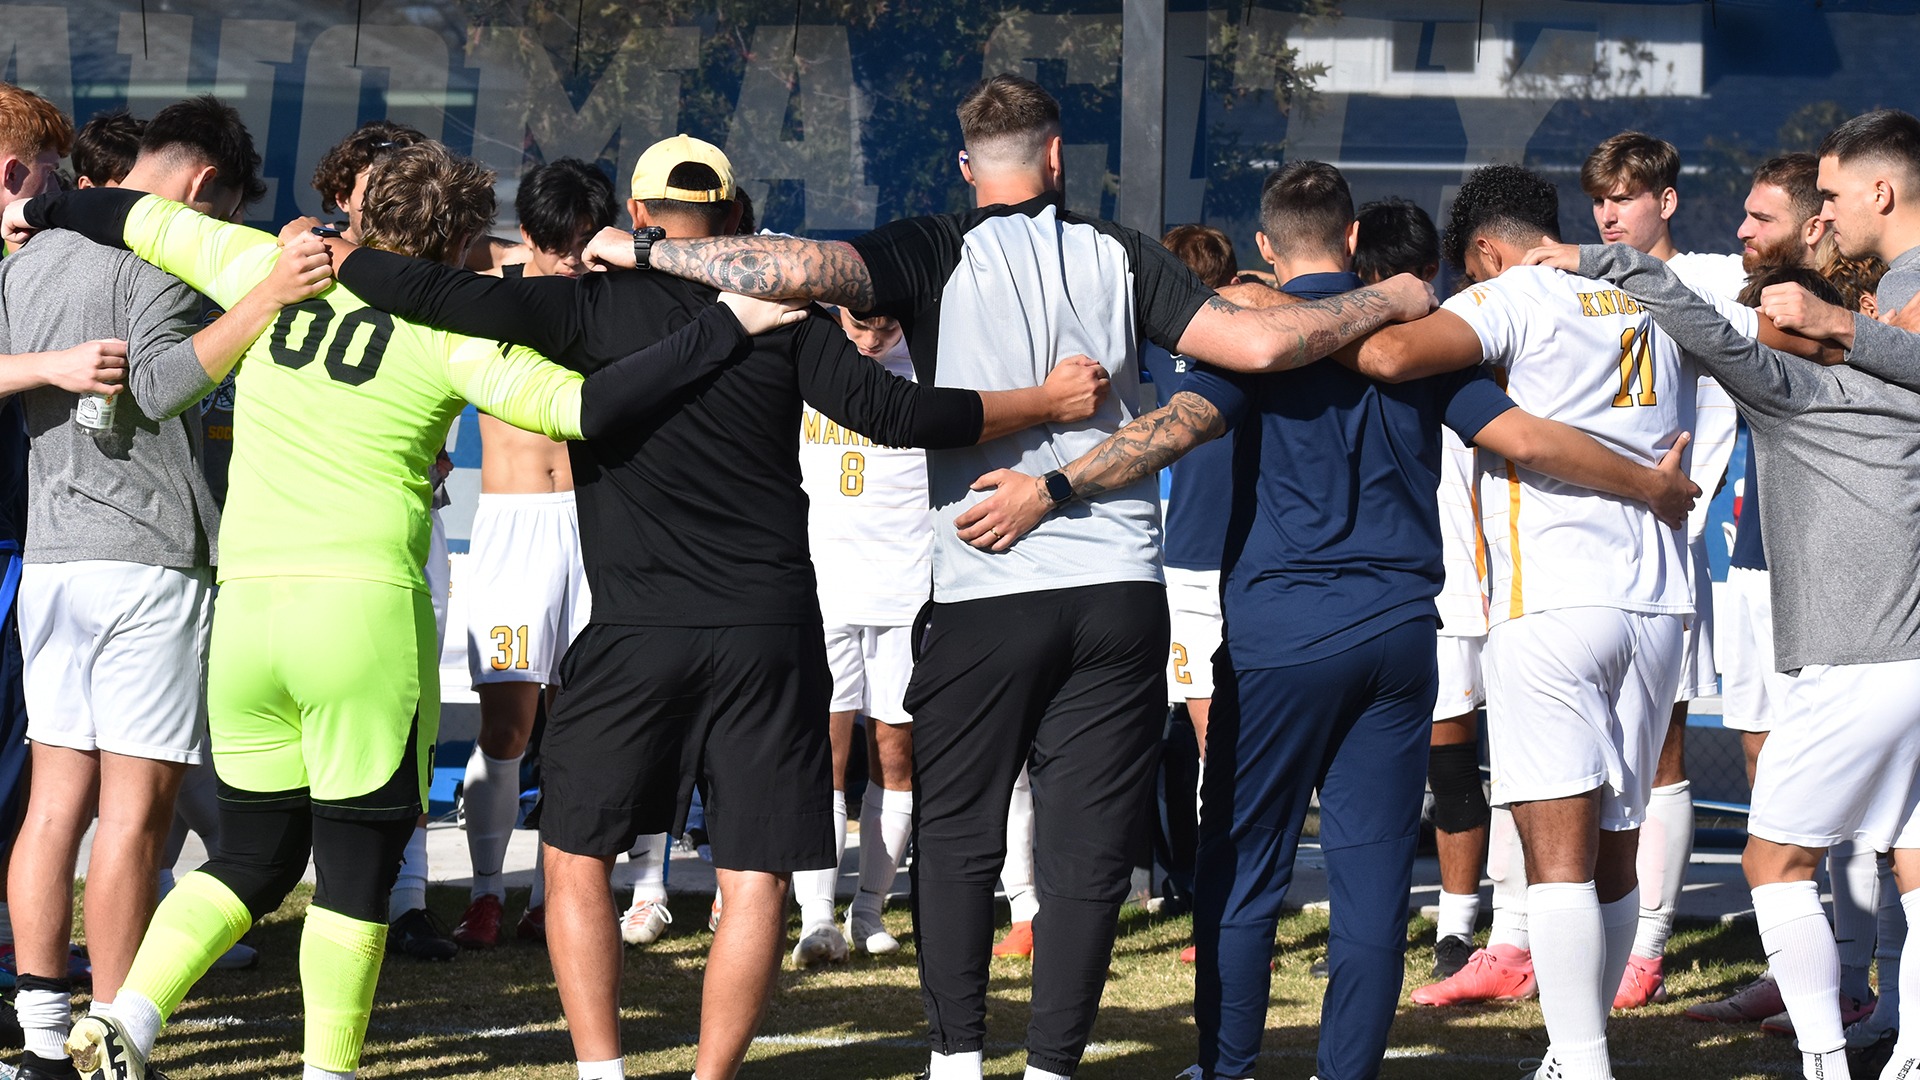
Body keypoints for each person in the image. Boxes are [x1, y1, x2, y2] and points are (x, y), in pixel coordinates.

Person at [578, 80, 1438, 1080]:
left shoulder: (932, 243)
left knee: (957, 833)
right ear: (1059, 159)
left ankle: (955, 1062)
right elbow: (1260, 344)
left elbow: (796, 268)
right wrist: (1397, 294)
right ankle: (1051, 1069)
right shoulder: (1119, 249)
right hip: (1116, 590)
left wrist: (643, 248)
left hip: (985, 578)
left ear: (963, 166)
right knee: (1081, 855)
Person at [5, 136, 804, 1080]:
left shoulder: (268, 261)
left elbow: (130, 215)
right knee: (355, 874)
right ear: (462, 242)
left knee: (253, 858)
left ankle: (130, 1013)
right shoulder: (456, 335)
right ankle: (326, 1072)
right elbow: (592, 407)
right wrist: (727, 329)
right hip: (363, 620)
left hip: (250, 613)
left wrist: (45, 212)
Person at [328, 131, 1114, 1080]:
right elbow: (907, 418)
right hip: (769, 635)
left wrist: (338, 253)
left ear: (640, 221)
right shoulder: (783, 313)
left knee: (577, 857)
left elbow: (435, 294)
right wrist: (1042, 403)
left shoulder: (588, 306)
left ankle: (599, 1072)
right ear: (735, 222)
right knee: (753, 874)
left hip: (636, 633)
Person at [952, 159, 1700, 1080]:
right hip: (1396, 638)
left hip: (1280, 639)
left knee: (1245, 868)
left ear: (1267, 247)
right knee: (1374, 877)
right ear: (1354, 238)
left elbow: (1175, 427)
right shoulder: (1416, 334)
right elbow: (1524, 437)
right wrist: (1650, 486)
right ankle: (1347, 1073)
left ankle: (1227, 1067)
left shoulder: (1255, 336)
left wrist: (1053, 486)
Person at [1337, 162, 1830, 1080]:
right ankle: (1583, 1050)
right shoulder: (1650, 291)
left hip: (1553, 597)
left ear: (1486, 250)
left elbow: (1391, 357)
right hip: (1657, 601)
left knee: (1557, 852)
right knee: (1614, 847)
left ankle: (1580, 1061)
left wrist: (1379, 301)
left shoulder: (1515, 293)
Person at [0, 94, 293, 1080]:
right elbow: (164, 385)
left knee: (53, 807)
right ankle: (113, 1041)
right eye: (220, 211)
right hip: (144, 564)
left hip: (53, 561)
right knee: (134, 816)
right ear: (202, 185)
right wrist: (261, 299)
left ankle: (44, 1043)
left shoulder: (33, 253)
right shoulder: (171, 254)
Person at [1701, 105, 1920, 1080]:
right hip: (1893, 621)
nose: (1819, 216)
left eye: (1829, 196)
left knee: (1774, 861)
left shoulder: (1907, 287)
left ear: (1881, 190)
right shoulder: (1895, 290)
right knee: (1910, 851)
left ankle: (1836, 1063)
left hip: (1879, 630)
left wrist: (1837, 326)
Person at [1579, 131, 1747, 1010]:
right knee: (1592, 751)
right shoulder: (1578, 287)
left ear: (1667, 201)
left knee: (1663, 752)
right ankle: (1559, 928)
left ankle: (1649, 941)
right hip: (1589, 554)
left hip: (1679, 552)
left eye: (1627, 197)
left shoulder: (1714, 278)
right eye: (1600, 199)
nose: (1609, 213)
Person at [450, 157, 617, 951]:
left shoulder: (619, 289)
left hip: (596, 519)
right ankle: (485, 892)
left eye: (586, 242)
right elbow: (406, 250)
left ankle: (566, 895)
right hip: (514, 524)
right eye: (558, 245)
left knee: (592, 725)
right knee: (508, 727)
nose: (572, 260)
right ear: (528, 236)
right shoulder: (491, 279)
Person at [789, 303, 927, 966]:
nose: (873, 337)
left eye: (886, 325)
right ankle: (817, 917)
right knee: (825, 755)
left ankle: (870, 907)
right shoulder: (807, 354)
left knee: (895, 756)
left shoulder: (931, 366)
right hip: (819, 589)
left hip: (905, 591)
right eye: (860, 325)